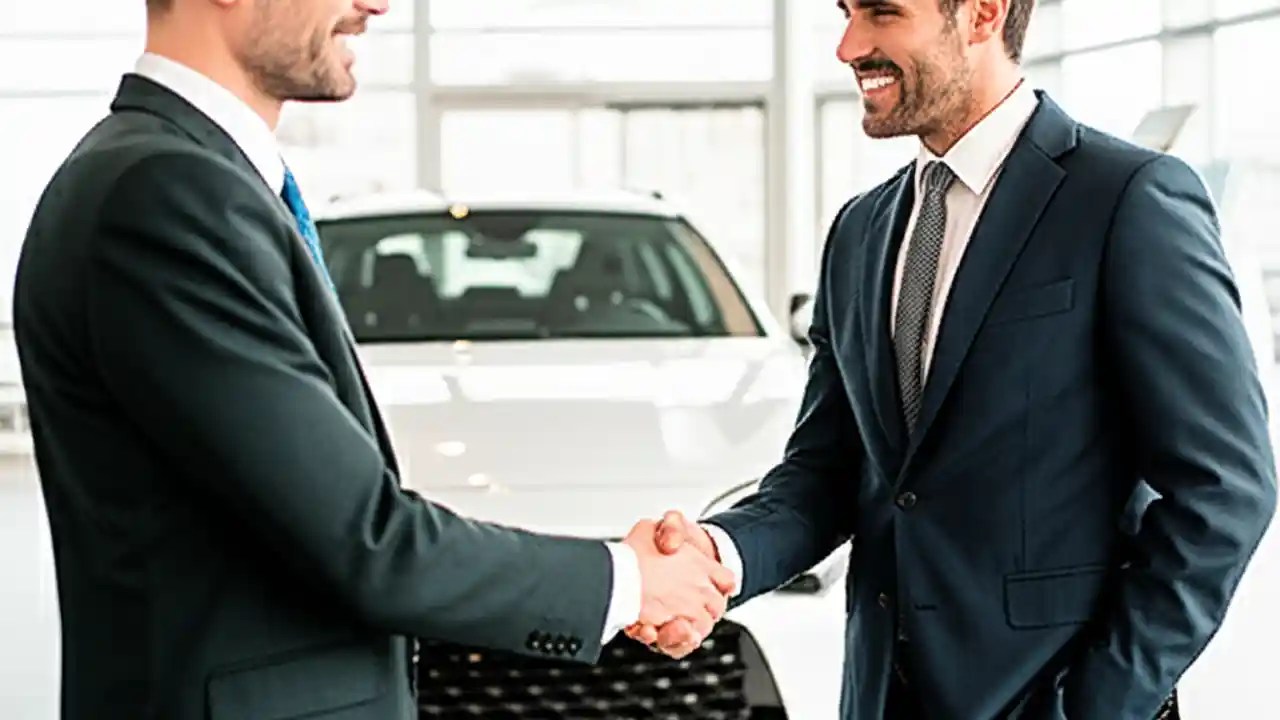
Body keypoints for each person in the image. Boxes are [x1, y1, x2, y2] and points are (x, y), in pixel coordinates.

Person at [11, 1, 734, 718]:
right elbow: (366, 540)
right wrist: (631, 582)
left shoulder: (176, 175)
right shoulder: (167, 194)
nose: (375, 3)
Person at [628, 0, 1278, 718]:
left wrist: (1101, 702)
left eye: (881, 13)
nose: (848, 46)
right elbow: (825, 474)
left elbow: (1225, 489)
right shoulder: (860, 232)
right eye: (846, 14)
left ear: (983, 14)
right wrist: (718, 555)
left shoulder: (1127, 199)